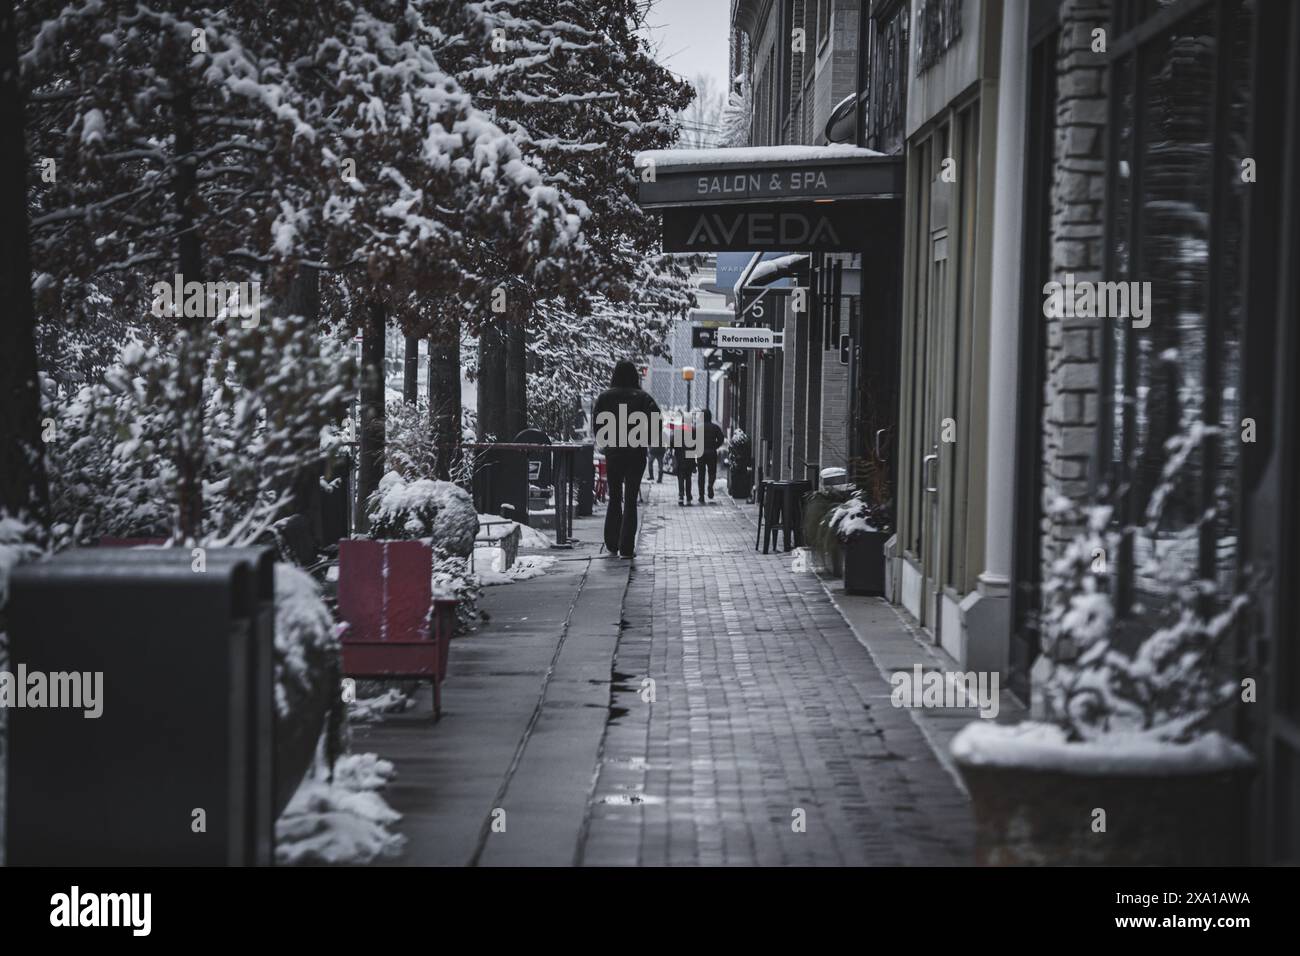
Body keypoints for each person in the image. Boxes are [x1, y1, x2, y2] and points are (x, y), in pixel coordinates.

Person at [593, 360, 660, 558]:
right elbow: (656, 424)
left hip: (614, 453)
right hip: (635, 453)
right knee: (630, 500)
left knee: (614, 497)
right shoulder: (643, 398)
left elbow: (598, 426)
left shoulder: (605, 398)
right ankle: (627, 546)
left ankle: (612, 541)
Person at [696, 409, 725, 503]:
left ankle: (701, 495)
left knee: (701, 474)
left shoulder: (698, 428)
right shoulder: (715, 427)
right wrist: (715, 446)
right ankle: (710, 485)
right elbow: (721, 439)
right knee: (712, 472)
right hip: (711, 453)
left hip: (701, 453)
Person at [673, 419, 696, 506]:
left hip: (680, 457)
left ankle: (681, 496)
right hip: (690, 457)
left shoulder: (678, 431)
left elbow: (672, 443)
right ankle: (689, 497)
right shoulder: (693, 431)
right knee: (688, 477)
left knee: (681, 477)